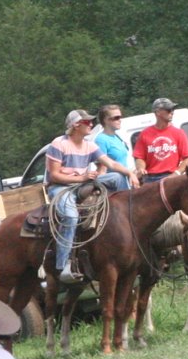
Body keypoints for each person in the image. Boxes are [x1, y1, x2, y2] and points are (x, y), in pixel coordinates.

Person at [44, 109, 134, 284]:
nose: (91, 124)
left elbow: (111, 164)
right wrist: (82, 178)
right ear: (76, 125)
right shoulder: (58, 144)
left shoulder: (89, 145)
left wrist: (130, 174)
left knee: (117, 177)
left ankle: (128, 214)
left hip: (82, 184)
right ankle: (63, 265)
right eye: (87, 122)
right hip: (61, 188)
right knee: (70, 216)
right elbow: (54, 175)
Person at [133, 98, 188, 185]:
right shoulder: (145, 133)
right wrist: (141, 168)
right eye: (169, 110)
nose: (172, 112)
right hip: (150, 178)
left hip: (171, 177)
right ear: (158, 112)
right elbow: (139, 157)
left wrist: (177, 173)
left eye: (173, 109)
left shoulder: (179, 133)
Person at [91, 105, 137, 192]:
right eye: (116, 118)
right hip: (113, 185)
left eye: (120, 117)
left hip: (125, 179)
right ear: (105, 120)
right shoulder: (101, 140)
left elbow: (123, 163)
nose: (120, 120)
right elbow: (102, 167)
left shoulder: (117, 137)